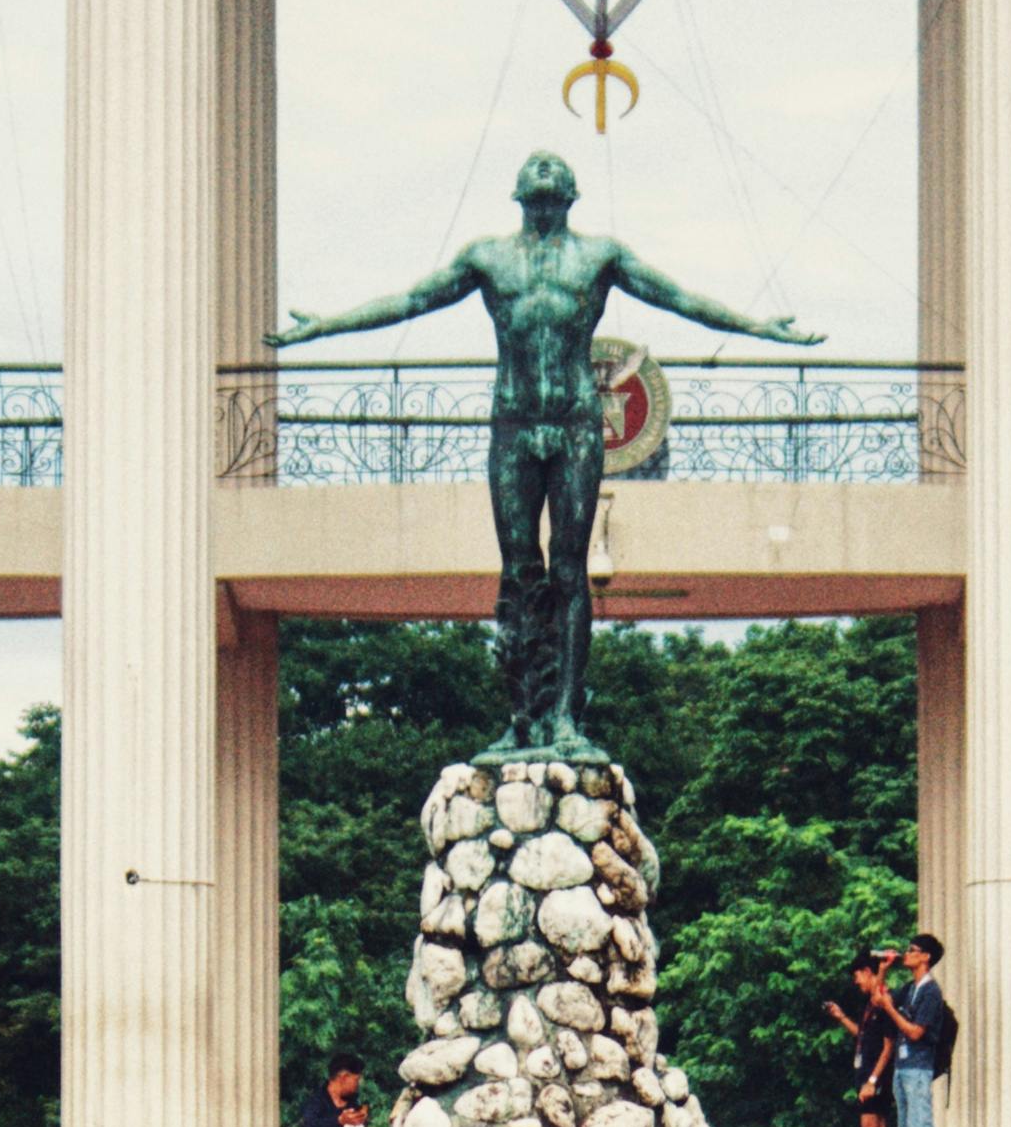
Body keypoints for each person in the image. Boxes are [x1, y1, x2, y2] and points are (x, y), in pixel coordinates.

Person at [272, 153, 821, 749]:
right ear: (517, 194)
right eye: (533, 174)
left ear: (569, 195)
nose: (541, 175)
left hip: (575, 425)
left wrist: (757, 327)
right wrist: (323, 327)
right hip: (513, 423)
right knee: (516, 570)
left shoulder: (598, 257)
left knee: (568, 568)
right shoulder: (488, 257)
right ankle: (523, 715)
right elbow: (411, 300)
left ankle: (563, 714)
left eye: (551, 175)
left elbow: (679, 298)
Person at [870, 935, 952, 1127]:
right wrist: (882, 971)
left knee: (919, 1122)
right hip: (902, 1066)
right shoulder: (909, 988)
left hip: (918, 1065)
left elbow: (916, 1032)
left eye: (912, 950)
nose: (907, 954)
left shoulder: (931, 991)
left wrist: (892, 1010)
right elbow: (877, 999)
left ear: (925, 957)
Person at [825, 954, 897, 1127]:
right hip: (866, 1070)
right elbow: (864, 1037)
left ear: (867, 972)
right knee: (879, 1126)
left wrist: (873, 1080)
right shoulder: (869, 1005)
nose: (856, 982)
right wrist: (841, 1017)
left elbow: (888, 1046)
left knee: (868, 1126)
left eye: (858, 976)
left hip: (875, 1074)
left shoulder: (883, 1000)